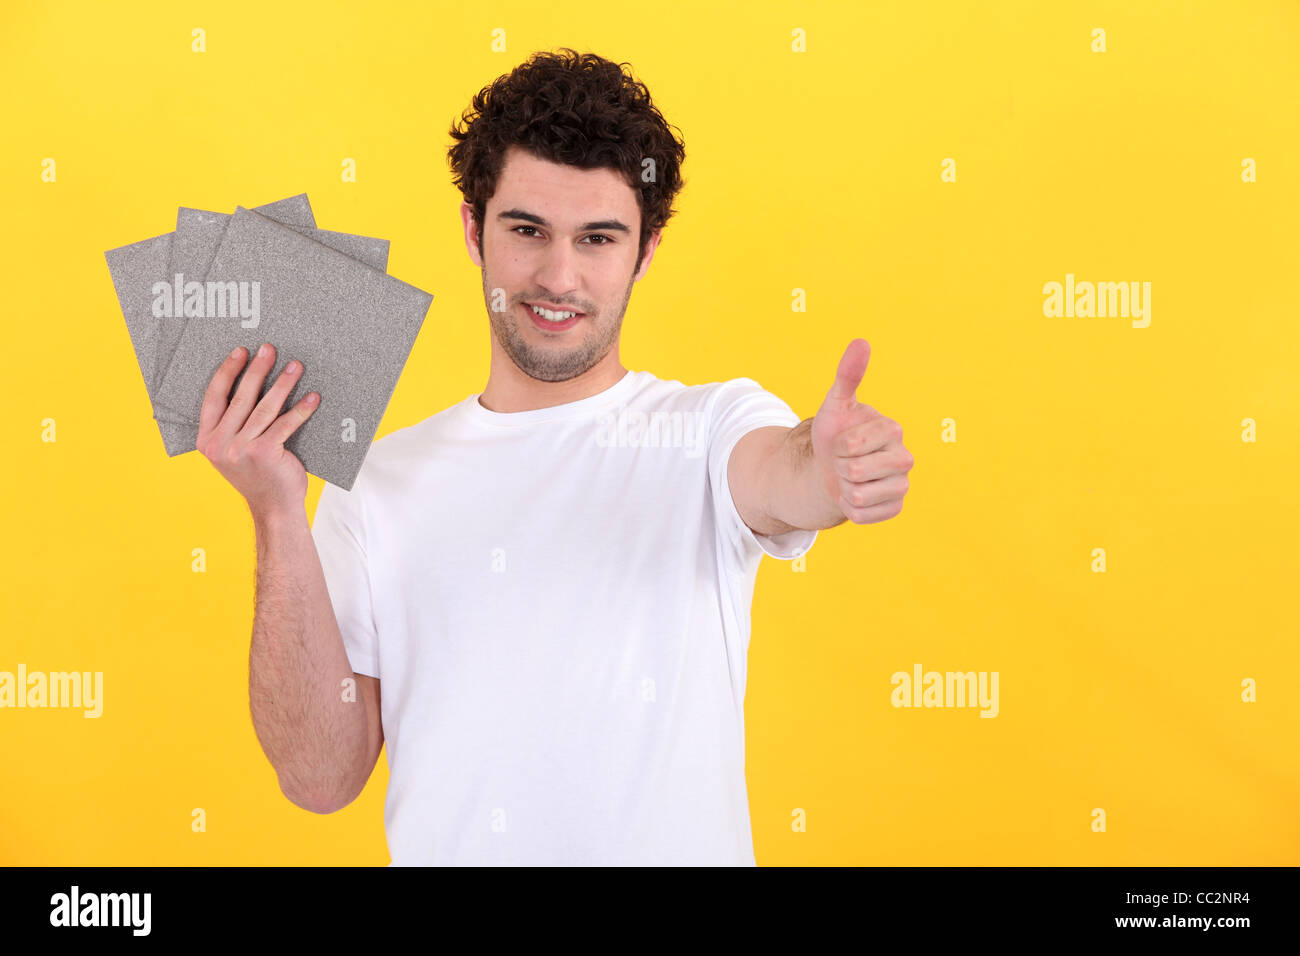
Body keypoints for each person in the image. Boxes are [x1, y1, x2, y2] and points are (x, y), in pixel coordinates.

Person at [198, 48, 912, 865]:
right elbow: (320, 779)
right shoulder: (379, 483)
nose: (558, 276)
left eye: (598, 238)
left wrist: (828, 470)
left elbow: (780, 475)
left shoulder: (707, 427)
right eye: (527, 230)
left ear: (643, 253)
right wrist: (276, 510)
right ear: (475, 230)